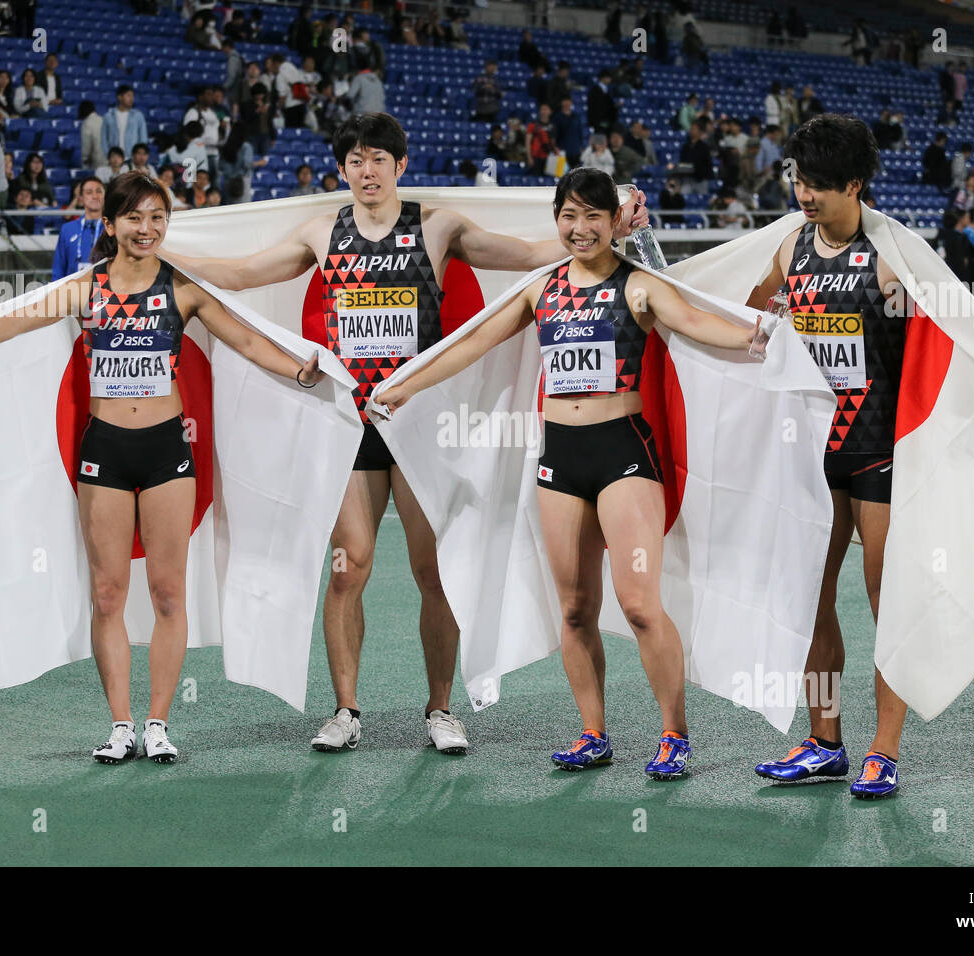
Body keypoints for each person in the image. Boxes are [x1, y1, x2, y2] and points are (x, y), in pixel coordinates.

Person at [166, 113, 648, 757]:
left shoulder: (437, 226)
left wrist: (613, 224)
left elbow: (532, 254)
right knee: (349, 566)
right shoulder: (320, 232)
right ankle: (345, 709)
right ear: (343, 169)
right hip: (353, 423)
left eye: (379, 160)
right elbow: (245, 273)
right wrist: (153, 251)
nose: (368, 172)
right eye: (356, 161)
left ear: (401, 164)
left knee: (432, 570)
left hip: (420, 420)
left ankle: (441, 708)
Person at [0, 171, 325, 765]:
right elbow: (10, 322)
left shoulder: (185, 289)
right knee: (107, 594)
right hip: (103, 449)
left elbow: (249, 343)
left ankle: (158, 723)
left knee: (168, 593)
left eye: (157, 218)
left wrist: (303, 371)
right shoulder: (87, 288)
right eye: (134, 217)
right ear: (110, 224)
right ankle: (120, 725)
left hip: (166, 453)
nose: (146, 229)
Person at [376, 168, 761, 779]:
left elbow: (701, 325)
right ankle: (592, 733)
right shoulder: (540, 290)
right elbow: (468, 346)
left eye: (592, 217)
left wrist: (763, 334)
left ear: (614, 223)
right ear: (556, 219)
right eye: (568, 216)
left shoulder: (639, 288)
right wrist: (402, 387)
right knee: (576, 608)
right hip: (560, 461)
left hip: (625, 457)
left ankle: (673, 733)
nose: (579, 229)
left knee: (638, 604)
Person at [747, 116, 974, 800]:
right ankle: (824, 740)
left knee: (886, 604)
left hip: (877, 453)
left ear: (854, 186)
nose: (803, 196)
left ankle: (884, 750)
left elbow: (970, 324)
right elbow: (742, 314)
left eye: (817, 187)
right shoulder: (790, 250)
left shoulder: (894, 256)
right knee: (809, 600)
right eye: (798, 182)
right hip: (812, 453)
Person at [52, 177, 105, 279]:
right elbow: (58, 269)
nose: (95, 196)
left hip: (104, 292)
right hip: (74, 291)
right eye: (89, 192)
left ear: (105, 196)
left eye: (99, 191)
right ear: (81, 198)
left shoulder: (114, 229)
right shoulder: (67, 229)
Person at [101, 85, 148, 161]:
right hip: (115, 159)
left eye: (132, 96)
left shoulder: (138, 116)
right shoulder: (108, 116)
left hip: (132, 159)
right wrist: (109, 155)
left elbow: (143, 139)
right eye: (128, 96)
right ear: (119, 97)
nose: (131, 99)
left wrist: (138, 156)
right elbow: (104, 140)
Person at [79, 100, 106, 170]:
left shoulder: (87, 123)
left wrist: (85, 159)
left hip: (96, 161)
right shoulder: (103, 120)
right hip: (108, 159)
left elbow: (86, 146)